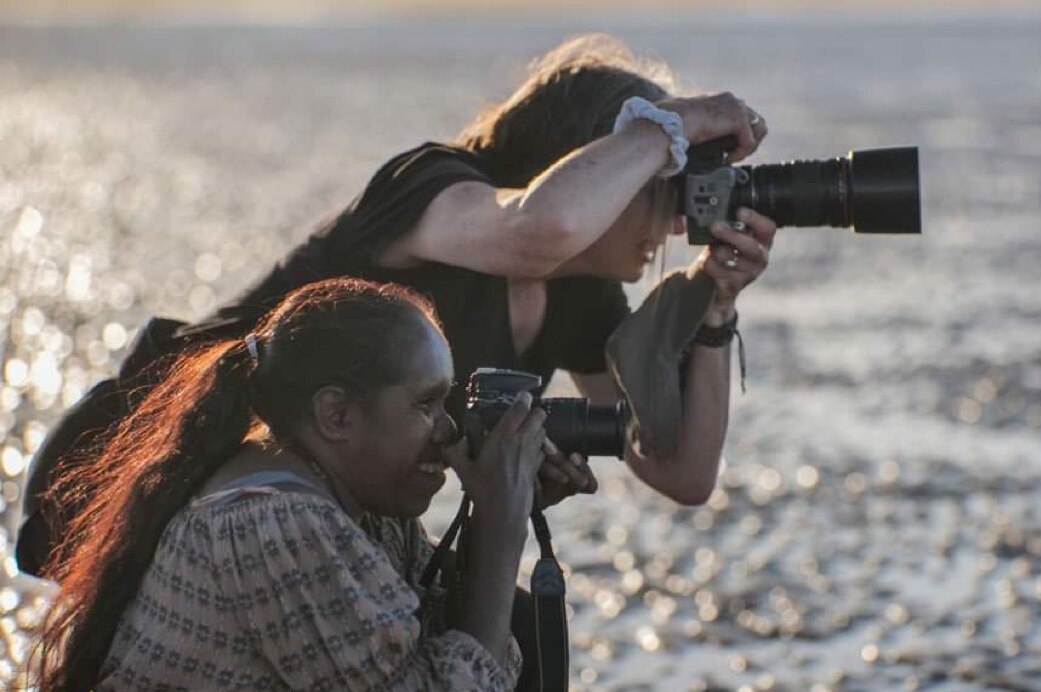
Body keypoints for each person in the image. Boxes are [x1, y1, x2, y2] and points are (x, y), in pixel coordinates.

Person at [20, 32, 776, 575]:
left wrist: (714, 311)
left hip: (284, 535)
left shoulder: (577, 296)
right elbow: (539, 228)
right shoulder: (430, 188)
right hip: (129, 476)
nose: (677, 220)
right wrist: (671, 125)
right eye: (657, 184)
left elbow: (680, 471)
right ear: (584, 165)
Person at [35, 277, 549, 691]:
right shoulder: (273, 524)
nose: (449, 430)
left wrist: (499, 502)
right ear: (337, 415)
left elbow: (441, 633)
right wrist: (502, 534)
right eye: (425, 405)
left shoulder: (341, 498)